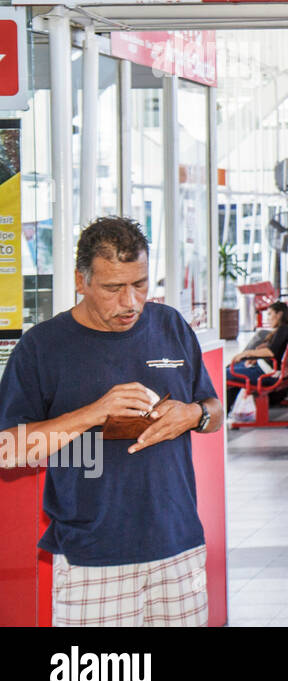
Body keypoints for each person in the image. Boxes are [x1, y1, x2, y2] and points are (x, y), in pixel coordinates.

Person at [0, 216, 222, 626]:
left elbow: (214, 409)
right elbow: (9, 451)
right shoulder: (42, 348)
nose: (131, 302)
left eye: (140, 284)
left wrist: (193, 414)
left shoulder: (170, 324)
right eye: (113, 288)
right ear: (81, 282)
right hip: (93, 555)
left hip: (179, 543)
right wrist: (95, 412)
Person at [226, 300, 288, 409]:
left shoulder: (283, 330)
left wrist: (246, 354)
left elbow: (270, 352)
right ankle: (227, 410)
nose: (268, 318)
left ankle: (225, 411)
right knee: (233, 371)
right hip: (274, 370)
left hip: (267, 373)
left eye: (270, 314)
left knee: (226, 374)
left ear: (279, 314)